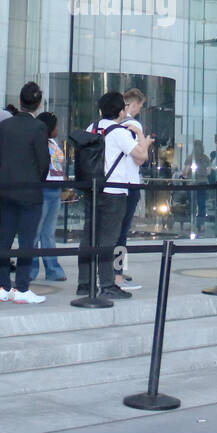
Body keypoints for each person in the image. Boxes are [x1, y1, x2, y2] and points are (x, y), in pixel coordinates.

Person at [77, 92, 152, 301]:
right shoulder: (120, 132)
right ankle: (109, 284)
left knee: (88, 236)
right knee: (110, 239)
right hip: (115, 191)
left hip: (93, 189)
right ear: (121, 111)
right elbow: (141, 157)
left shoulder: (91, 128)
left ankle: (84, 283)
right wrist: (141, 136)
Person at [0, 82, 50, 303]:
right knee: (27, 241)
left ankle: (3, 286)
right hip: (29, 190)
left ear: (19, 101)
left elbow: (1, 154)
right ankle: (22, 288)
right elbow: (43, 162)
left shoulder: (5, 125)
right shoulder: (39, 127)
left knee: (4, 239)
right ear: (39, 104)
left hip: (6, 186)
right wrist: (37, 180)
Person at [115, 88, 148, 289]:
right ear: (134, 104)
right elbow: (140, 158)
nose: (139, 111)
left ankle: (113, 271)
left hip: (113, 184)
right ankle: (118, 274)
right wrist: (145, 141)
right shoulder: (134, 125)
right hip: (129, 183)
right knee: (122, 232)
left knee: (113, 231)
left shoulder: (113, 123)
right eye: (139, 106)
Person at [30, 111, 67, 282]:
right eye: (55, 126)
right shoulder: (37, 143)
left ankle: (53, 269)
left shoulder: (53, 142)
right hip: (43, 189)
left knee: (49, 233)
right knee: (35, 232)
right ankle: (30, 269)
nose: (57, 129)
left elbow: (57, 165)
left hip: (55, 189)